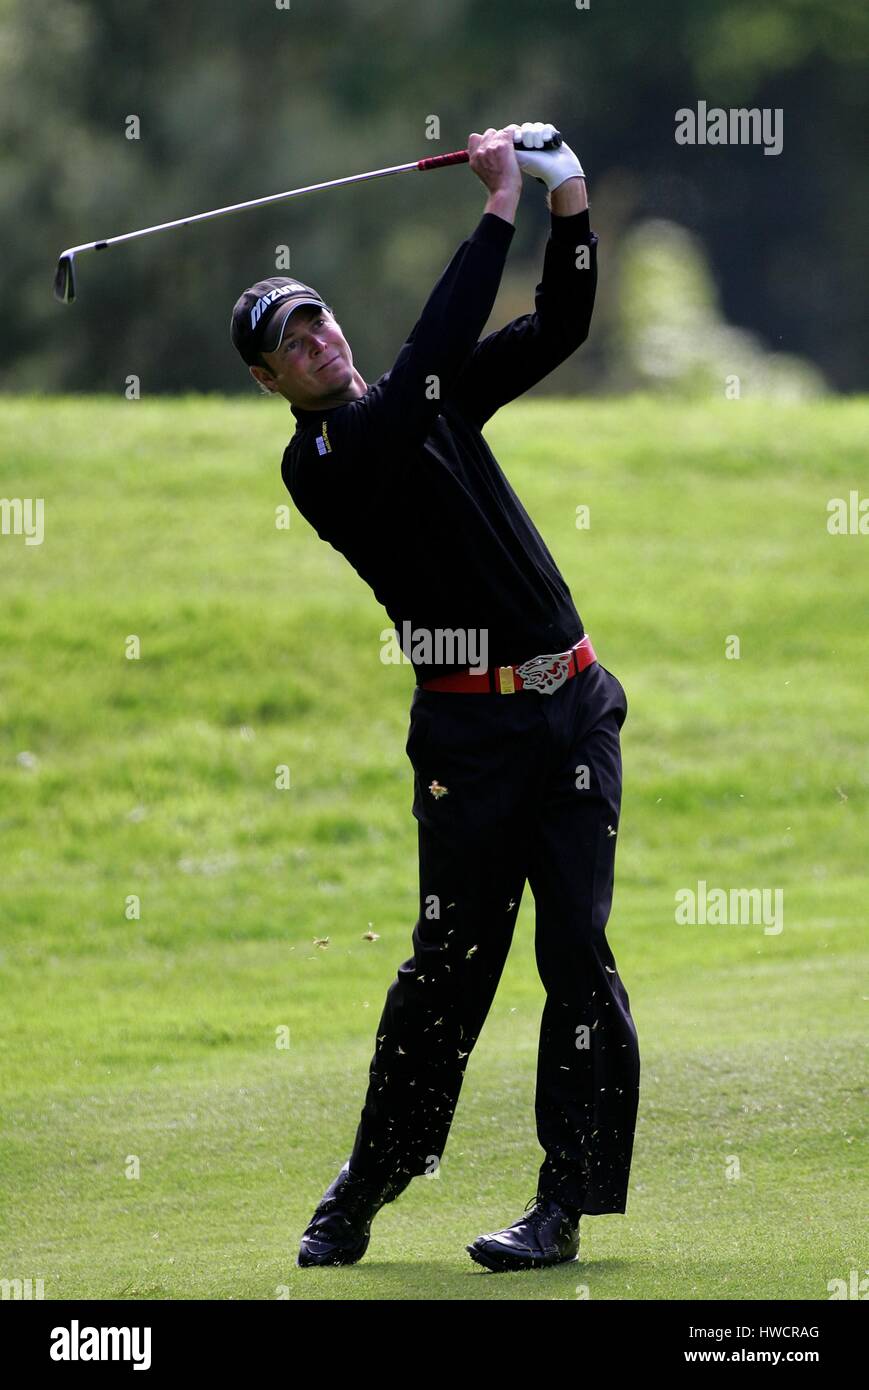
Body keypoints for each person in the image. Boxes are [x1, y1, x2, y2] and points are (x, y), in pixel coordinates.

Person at [230, 121, 640, 1273]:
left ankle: (560, 1207)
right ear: (268, 382)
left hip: (571, 709)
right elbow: (419, 370)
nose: (313, 339)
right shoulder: (323, 463)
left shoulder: (430, 395)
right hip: (468, 735)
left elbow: (557, 325)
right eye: (287, 343)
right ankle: (370, 1179)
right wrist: (494, 205)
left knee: (576, 949)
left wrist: (566, 211)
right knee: (448, 966)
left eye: (313, 316)